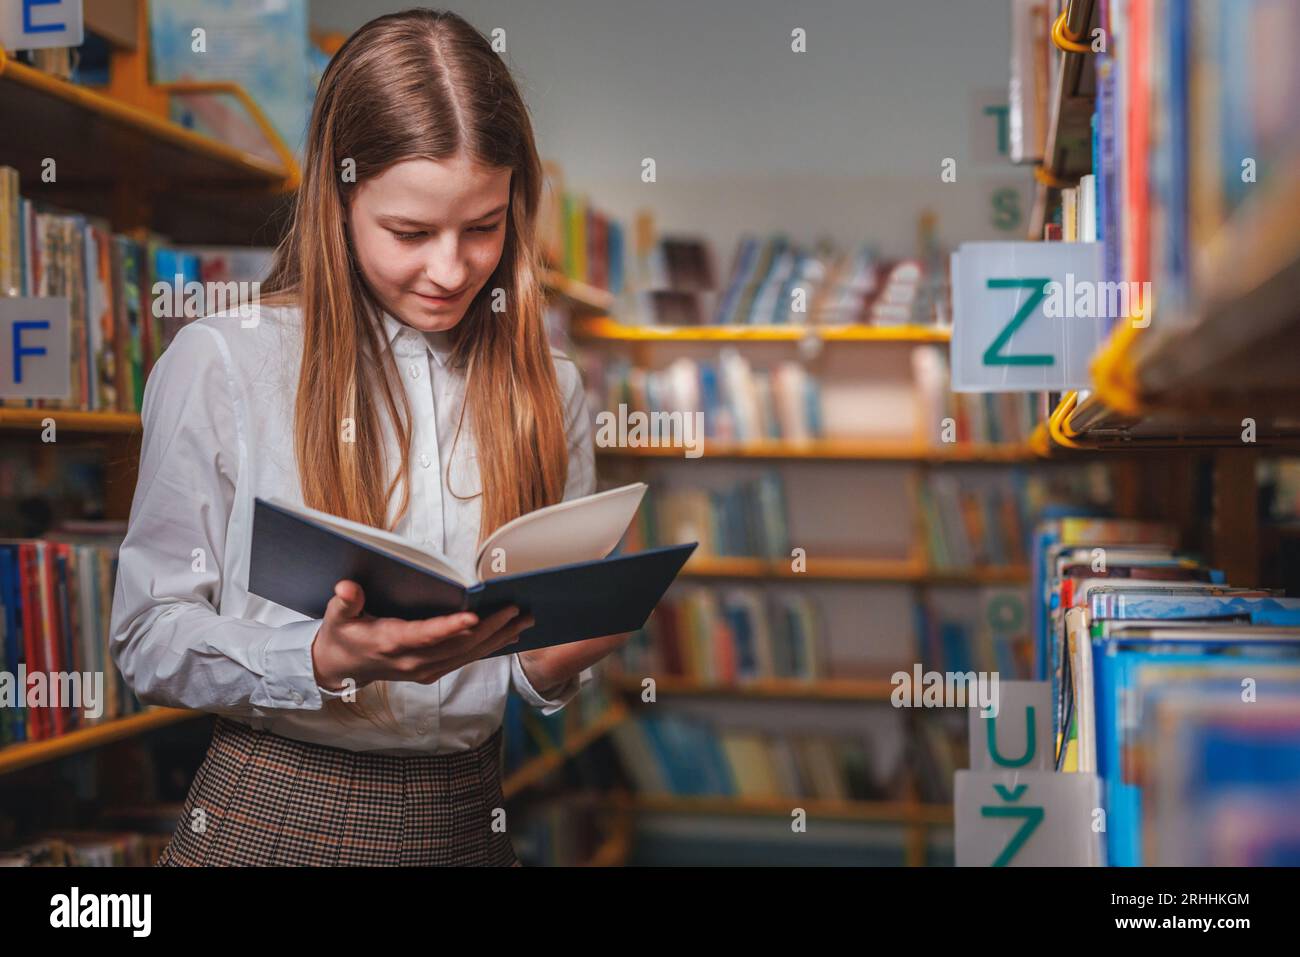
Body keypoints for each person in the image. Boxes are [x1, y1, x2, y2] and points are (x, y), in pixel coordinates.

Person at [109, 8, 629, 866]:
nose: (451, 269)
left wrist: (557, 656)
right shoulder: (225, 362)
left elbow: (522, 666)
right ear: (338, 197)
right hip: (274, 820)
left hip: (471, 821)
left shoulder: (552, 386)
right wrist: (313, 655)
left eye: (485, 227)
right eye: (410, 232)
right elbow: (147, 636)